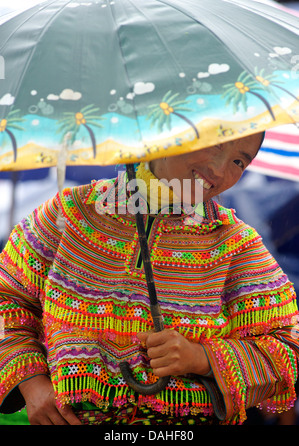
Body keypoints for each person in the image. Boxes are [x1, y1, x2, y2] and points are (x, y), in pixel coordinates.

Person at [0, 131, 298, 425]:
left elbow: (288, 347)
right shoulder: (70, 214)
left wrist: (201, 357)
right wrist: (32, 383)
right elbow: (8, 298)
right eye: (215, 145)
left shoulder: (234, 243)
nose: (220, 171)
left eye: (238, 161)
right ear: (168, 134)